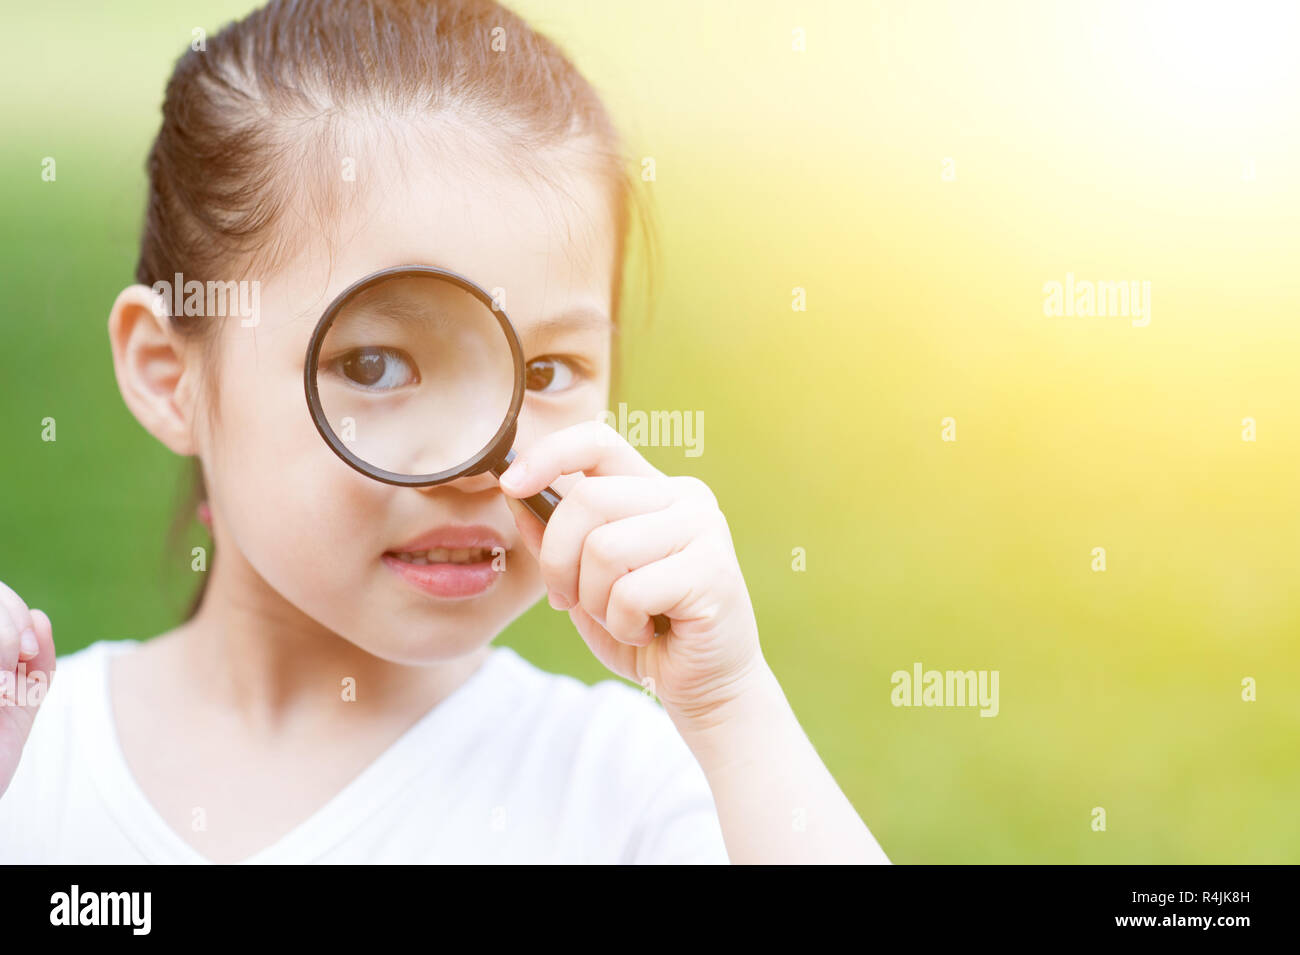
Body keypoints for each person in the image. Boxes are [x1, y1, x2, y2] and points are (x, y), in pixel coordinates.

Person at [0, 0, 890, 864]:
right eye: (375, 365)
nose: (475, 464)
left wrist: (734, 710)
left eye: (545, 374)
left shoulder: (625, 787)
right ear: (171, 375)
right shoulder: (29, 750)